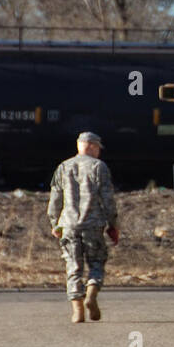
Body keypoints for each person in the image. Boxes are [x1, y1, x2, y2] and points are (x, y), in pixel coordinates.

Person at [48, 131, 119, 323]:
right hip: (93, 225)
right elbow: (108, 200)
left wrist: (55, 223)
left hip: (68, 225)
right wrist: (113, 224)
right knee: (96, 262)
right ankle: (91, 294)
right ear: (93, 147)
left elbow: (55, 200)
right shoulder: (99, 167)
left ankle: (77, 311)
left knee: (73, 266)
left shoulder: (63, 167)